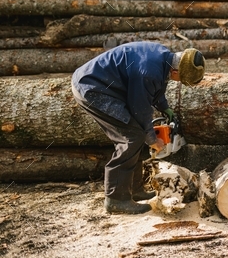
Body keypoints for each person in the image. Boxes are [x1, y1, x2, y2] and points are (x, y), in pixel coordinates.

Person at [71, 42, 205, 214]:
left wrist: (165, 107)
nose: (179, 82)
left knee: (136, 136)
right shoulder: (149, 71)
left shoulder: (165, 59)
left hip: (107, 86)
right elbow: (140, 108)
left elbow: (155, 89)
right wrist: (152, 139)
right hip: (92, 88)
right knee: (130, 138)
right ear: (176, 72)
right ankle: (116, 199)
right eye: (181, 80)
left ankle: (135, 189)